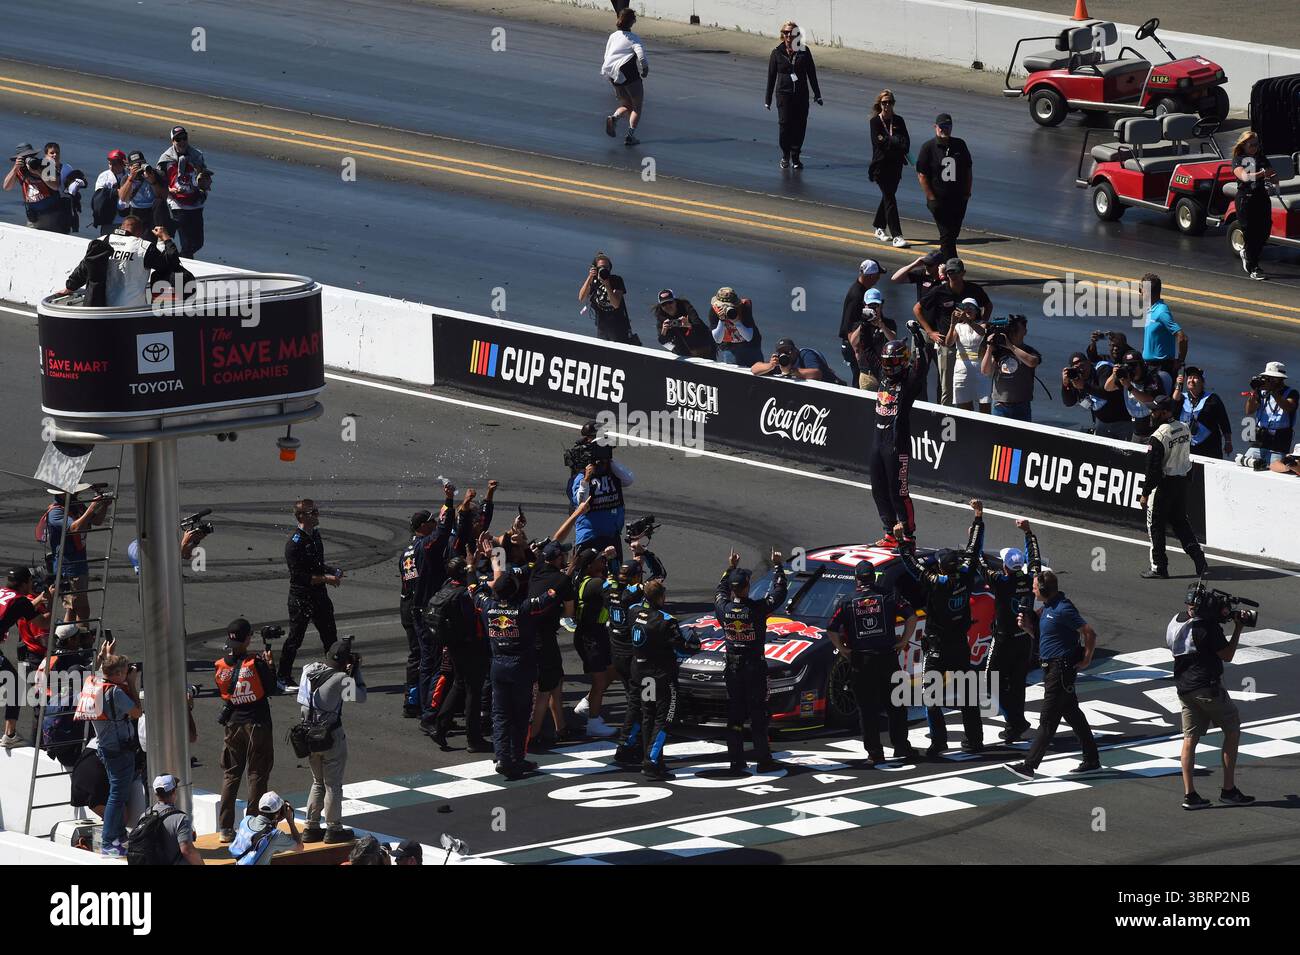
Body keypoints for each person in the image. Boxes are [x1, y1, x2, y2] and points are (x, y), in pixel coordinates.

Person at [897, 504, 986, 756]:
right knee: (969, 693)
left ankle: (938, 742)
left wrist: (901, 541)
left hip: (937, 649)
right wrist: (978, 518)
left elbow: (912, 566)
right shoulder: (965, 574)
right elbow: (973, 548)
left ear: (941, 568)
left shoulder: (938, 583)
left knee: (930, 697)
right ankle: (975, 740)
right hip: (959, 645)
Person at [1005, 572, 1101, 780]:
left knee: (1047, 721)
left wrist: (1086, 659)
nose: (1032, 590)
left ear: (1045, 589)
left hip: (1061, 670)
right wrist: (1028, 628)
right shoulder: (1047, 609)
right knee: (1073, 714)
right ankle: (1092, 758)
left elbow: (1089, 633)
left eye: (1035, 587)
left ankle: (1029, 765)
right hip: (1052, 669)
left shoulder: (1063, 608)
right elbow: (1045, 639)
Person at [1168, 584, 1255, 808]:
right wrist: (1238, 629)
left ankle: (1190, 795)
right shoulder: (1207, 628)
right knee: (1232, 729)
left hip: (1184, 689)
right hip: (1208, 689)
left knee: (1190, 740)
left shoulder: (1176, 620)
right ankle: (1228, 790)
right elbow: (1227, 655)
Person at [828, 560, 918, 766]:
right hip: (887, 658)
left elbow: (832, 628)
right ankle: (901, 747)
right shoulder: (888, 595)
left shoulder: (847, 601)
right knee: (896, 704)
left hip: (862, 661)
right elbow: (911, 616)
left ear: (856, 578)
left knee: (867, 709)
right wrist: (903, 640)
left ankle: (875, 753)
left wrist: (843, 650)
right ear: (874, 577)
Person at [479, 565, 559, 779]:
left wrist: (473, 569)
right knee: (522, 716)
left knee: (501, 715)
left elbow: (474, 591)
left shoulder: (487, 606)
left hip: (498, 667)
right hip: (521, 668)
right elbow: (550, 595)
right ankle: (516, 758)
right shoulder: (524, 608)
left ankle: (504, 758)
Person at [716, 548, 788, 774]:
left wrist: (730, 568)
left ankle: (736, 760)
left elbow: (720, 590)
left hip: (733, 669)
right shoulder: (757, 609)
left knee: (735, 715)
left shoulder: (724, 608)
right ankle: (763, 760)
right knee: (758, 715)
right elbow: (780, 592)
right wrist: (778, 566)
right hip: (754, 669)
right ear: (747, 587)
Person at [73, 643, 141, 857]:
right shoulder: (116, 693)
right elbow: (137, 712)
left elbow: (103, 670)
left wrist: (106, 656)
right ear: (118, 673)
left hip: (104, 746)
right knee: (116, 797)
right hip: (119, 750)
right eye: (125, 670)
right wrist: (131, 683)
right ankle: (110, 841)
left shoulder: (94, 683)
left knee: (115, 794)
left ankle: (117, 837)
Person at [977, 518, 1041, 743]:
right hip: (1025, 639)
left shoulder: (1000, 581)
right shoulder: (1032, 578)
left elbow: (978, 559)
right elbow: (1035, 559)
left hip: (1003, 639)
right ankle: (1014, 725)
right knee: (1016, 683)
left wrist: (975, 532)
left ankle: (1015, 720)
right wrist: (1028, 533)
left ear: (1004, 566)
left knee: (989, 682)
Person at [298, 636, 366, 844]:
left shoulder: (308, 669)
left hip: (307, 734)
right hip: (330, 736)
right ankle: (334, 828)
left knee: (317, 781)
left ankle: (310, 826)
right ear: (345, 662)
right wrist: (356, 670)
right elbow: (361, 695)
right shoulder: (340, 679)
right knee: (332, 784)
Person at [213, 618, 276, 843]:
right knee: (257, 774)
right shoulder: (255, 662)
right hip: (256, 723)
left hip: (233, 723)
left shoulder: (221, 664)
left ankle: (225, 828)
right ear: (248, 638)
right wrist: (270, 665)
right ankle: (253, 823)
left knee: (231, 774)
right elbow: (271, 687)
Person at [630, 580, 698, 780]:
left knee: (648, 715)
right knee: (665, 717)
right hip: (662, 676)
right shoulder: (666, 620)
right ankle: (651, 761)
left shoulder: (634, 612)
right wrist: (695, 643)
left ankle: (653, 759)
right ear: (660, 598)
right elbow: (682, 646)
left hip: (642, 673)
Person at [398, 483, 456, 718]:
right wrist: (449, 501)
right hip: (424, 610)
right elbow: (442, 532)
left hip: (409, 607)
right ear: (423, 527)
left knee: (417, 656)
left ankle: (412, 702)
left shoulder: (406, 552)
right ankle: (426, 707)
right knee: (429, 660)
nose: (434, 524)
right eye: (430, 522)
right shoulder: (424, 546)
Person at [869, 325, 929, 548]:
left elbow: (922, 367)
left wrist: (918, 339)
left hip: (897, 446)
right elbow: (867, 351)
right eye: (886, 361)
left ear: (902, 362)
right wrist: (867, 323)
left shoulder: (909, 383)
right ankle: (889, 532)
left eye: (892, 362)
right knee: (878, 489)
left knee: (899, 492)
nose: (887, 366)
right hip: (878, 444)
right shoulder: (883, 377)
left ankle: (908, 536)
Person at [1140, 397, 1210, 580]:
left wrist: (1145, 493)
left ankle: (1159, 567)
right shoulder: (1184, 427)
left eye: (1155, 411)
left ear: (1165, 412)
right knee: (1180, 522)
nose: (1151, 413)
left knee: (1155, 526)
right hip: (1182, 483)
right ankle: (1199, 559)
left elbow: (1152, 470)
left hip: (1164, 485)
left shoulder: (1158, 436)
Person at [428, 557, 492, 750]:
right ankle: (474, 739)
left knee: (458, 684)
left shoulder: (446, 586)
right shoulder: (465, 594)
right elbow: (473, 617)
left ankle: (440, 728)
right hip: (471, 646)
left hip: (453, 645)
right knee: (473, 690)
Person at [279, 499, 341, 688]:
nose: (317, 515)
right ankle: (282, 677)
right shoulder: (294, 544)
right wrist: (326, 579)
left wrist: (332, 570)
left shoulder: (315, 536)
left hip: (319, 595)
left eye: (316, 511)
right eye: (313, 512)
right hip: (301, 598)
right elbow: (300, 577)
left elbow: (317, 564)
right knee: (295, 639)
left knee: (330, 636)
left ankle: (334, 675)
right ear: (302, 516)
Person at [914, 258, 990, 405]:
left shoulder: (974, 290)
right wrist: (930, 332)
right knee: (947, 386)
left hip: (971, 343)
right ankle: (945, 416)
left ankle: (965, 414)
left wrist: (983, 322)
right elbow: (917, 309)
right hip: (948, 343)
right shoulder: (939, 291)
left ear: (963, 273)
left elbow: (988, 305)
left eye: (955, 272)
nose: (952, 275)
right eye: (949, 272)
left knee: (975, 385)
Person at [60, 216, 178, 308]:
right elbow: (169, 264)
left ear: (121, 227)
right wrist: (165, 238)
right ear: (140, 233)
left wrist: (69, 287)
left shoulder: (102, 241)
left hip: (100, 308)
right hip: (130, 311)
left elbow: (84, 267)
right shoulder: (144, 247)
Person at [528, 541, 577, 748]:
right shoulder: (561, 580)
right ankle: (533, 736)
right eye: (563, 555)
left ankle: (561, 727)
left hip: (532, 638)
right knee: (544, 690)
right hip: (544, 640)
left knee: (557, 680)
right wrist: (571, 572)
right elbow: (569, 613)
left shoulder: (536, 570)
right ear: (557, 559)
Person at [0, 567, 54, 748]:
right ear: (24, 584)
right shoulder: (20, 602)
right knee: (14, 685)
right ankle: (10, 734)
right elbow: (44, 622)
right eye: (30, 582)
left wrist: (40, 598)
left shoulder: (4, 593)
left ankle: (10, 733)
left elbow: (23, 608)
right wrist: (50, 601)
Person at [570, 545, 619, 737]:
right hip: (591, 636)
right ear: (591, 566)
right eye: (600, 559)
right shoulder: (596, 583)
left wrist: (609, 559)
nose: (603, 561)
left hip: (594, 633)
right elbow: (616, 590)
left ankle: (587, 704)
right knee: (599, 681)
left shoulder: (587, 578)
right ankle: (593, 723)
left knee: (612, 671)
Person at [39, 488, 108, 624]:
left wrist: (104, 505)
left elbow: (97, 521)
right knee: (82, 608)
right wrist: (92, 507)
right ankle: (81, 638)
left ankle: (70, 639)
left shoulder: (76, 505)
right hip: (68, 566)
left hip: (78, 562)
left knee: (72, 608)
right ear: (61, 493)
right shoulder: (55, 512)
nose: (77, 493)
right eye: (74, 491)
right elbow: (74, 528)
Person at [567, 423, 634, 560]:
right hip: (589, 536)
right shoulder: (580, 473)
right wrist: (586, 478)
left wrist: (608, 460)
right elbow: (580, 504)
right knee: (587, 573)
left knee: (614, 575)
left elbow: (629, 480)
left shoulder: (611, 468)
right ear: (587, 440)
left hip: (611, 535)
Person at [764, 21, 822, 169]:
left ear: (797, 34)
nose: (788, 35)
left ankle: (795, 156)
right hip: (783, 94)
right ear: (782, 34)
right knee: (785, 125)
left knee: (800, 125)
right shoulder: (776, 53)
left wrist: (817, 94)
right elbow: (771, 77)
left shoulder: (804, 51)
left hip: (801, 95)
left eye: (791, 32)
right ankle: (785, 154)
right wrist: (768, 99)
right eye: (785, 32)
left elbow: (812, 74)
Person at [915, 113, 973, 260]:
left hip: (958, 200)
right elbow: (922, 175)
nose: (945, 130)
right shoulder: (928, 148)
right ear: (935, 127)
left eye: (948, 127)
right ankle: (954, 270)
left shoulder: (959, 145)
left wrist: (967, 193)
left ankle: (937, 265)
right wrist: (932, 198)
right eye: (942, 127)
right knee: (947, 236)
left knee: (952, 235)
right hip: (939, 201)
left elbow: (968, 169)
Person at [607, 559, 648, 765]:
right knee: (636, 701)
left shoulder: (609, 588)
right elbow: (655, 580)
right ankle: (626, 744)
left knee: (635, 698)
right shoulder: (633, 593)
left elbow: (613, 582)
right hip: (631, 655)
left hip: (616, 652)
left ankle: (635, 737)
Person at [157, 126, 211, 257]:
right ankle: (181, 268)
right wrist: (169, 190)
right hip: (177, 203)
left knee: (198, 243)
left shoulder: (196, 154)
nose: (182, 142)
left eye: (184, 138)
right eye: (178, 139)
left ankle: (179, 259)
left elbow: (204, 175)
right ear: (172, 141)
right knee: (186, 243)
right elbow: (159, 180)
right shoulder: (166, 158)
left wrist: (203, 183)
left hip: (195, 202)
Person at [1231, 130, 1276, 281]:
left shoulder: (1260, 157)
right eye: (1252, 145)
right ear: (1244, 145)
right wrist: (1262, 174)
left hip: (1261, 196)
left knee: (1265, 230)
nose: (1255, 148)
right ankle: (1253, 267)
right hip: (1246, 199)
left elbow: (1271, 171)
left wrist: (1273, 176)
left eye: (1257, 144)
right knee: (1251, 233)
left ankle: (1248, 253)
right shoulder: (1239, 159)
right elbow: (1244, 177)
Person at [129, 774, 203, 865]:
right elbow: (187, 851)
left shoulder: (144, 815)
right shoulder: (180, 819)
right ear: (174, 791)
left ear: (156, 793)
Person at [600, 8, 648, 146]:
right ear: (632, 21)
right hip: (629, 74)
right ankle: (630, 136)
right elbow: (642, 57)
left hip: (612, 74)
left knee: (626, 104)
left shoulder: (613, 36)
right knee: (637, 107)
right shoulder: (634, 38)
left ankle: (614, 117)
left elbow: (606, 56)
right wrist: (645, 69)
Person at [869, 90, 911, 247]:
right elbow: (879, 143)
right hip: (880, 167)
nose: (887, 105)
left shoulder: (899, 120)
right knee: (890, 198)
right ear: (879, 104)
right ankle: (897, 235)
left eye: (889, 102)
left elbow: (906, 143)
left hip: (896, 166)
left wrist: (891, 141)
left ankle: (879, 227)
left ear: (893, 103)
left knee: (888, 196)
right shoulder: (875, 122)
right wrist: (895, 141)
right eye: (884, 102)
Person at [980, 314, 1041, 421]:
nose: (1014, 332)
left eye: (1017, 329)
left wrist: (1011, 346)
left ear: (1025, 332)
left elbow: (1032, 362)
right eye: (1012, 329)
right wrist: (989, 348)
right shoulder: (998, 351)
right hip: (1000, 406)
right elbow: (985, 371)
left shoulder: (1029, 351)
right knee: (998, 438)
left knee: (1021, 437)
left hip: (1021, 405)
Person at [1061, 351, 1132, 440]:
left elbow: (1106, 393)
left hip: (1122, 422)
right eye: (1077, 368)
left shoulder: (1103, 369)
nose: (1081, 370)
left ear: (1088, 362)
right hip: (1102, 423)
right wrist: (1065, 384)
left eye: (1082, 365)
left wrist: (1084, 386)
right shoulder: (1076, 377)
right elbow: (1069, 402)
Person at [1106, 350, 1172, 442]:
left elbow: (1150, 400)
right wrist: (1114, 375)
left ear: (1141, 365)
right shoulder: (1125, 377)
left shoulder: (1152, 377)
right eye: (1128, 366)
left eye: (1134, 365)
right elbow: (1107, 388)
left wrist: (1129, 387)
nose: (1131, 369)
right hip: (1136, 430)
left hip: (1154, 431)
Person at [1241, 361, 1297, 468]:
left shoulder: (1291, 393)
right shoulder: (1261, 392)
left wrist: (1273, 392)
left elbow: (1289, 407)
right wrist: (1253, 393)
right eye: (1267, 378)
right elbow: (1249, 411)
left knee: (1274, 470)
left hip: (1279, 442)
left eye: (1272, 378)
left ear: (1280, 379)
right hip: (1260, 439)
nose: (1269, 381)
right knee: (1246, 464)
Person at [1171, 366, 1232, 459]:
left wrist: (1228, 442)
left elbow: (1224, 422)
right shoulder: (1182, 398)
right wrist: (1178, 386)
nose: (1191, 380)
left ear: (1202, 382)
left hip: (1209, 446)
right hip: (1187, 445)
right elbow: (1174, 403)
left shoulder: (1212, 399)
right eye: (1189, 377)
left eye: (1195, 377)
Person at [838, 259, 883, 381]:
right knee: (860, 379)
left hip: (857, 343)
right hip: (853, 345)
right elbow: (849, 326)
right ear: (871, 276)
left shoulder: (862, 290)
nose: (879, 278)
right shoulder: (857, 295)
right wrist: (856, 351)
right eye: (878, 275)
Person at [5, 143, 67, 231]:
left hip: (52, 214)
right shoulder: (19, 170)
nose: (28, 159)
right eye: (24, 157)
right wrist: (15, 168)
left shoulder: (46, 165)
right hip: (34, 217)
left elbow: (55, 186)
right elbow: (6, 187)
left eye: (30, 156)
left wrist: (38, 172)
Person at [229, 792, 304, 865]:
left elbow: (265, 833)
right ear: (277, 813)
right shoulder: (275, 835)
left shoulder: (246, 821)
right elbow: (300, 847)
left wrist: (276, 819)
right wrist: (290, 821)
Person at [578, 252, 635, 343]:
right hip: (602, 327)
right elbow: (581, 297)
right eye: (600, 268)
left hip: (619, 327)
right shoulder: (594, 281)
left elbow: (615, 304)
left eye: (606, 267)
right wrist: (590, 277)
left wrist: (607, 284)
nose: (603, 269)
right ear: (595, 269)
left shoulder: (616, 280)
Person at [847, 288, 898, 390]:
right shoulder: (859, 325)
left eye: (876, 305)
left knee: (884, 404)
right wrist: (863, 324)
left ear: (881, 305)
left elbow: (893, 340)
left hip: (885, 375)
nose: (873, 309)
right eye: (870, 306)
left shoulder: (889, 323)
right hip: (867, 375)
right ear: (864, 305)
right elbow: (853, 342)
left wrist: (882, 326)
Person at [945, 297, 990, 412]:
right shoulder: (958, 326)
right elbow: (948, 343)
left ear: (977, 310)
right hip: (961, 369)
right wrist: (952, 324)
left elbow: (981, 333)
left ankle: (984, 429)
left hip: (980, 369)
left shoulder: (983, 324)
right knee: (964, 404)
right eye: (965, 308)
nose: (968, 310)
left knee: (984, 402)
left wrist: (968, 320)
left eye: (971, 307)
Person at [1139, 274, 1187, 375]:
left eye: (1141, 289)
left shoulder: (1161, 311)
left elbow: (1182, 336)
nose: (1140, 293)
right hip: (1150, 366)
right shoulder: (1151, 310)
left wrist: (1180, 361)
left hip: (1161, 368)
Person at [708, 286, 763, 366]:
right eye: (722, 306)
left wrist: (736, 321)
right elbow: (718, 339)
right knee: (733, 373)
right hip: (730, 348)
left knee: (755, 371)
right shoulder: (715, 311)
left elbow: (748, 337)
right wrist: (721, 321)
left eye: (729, 306)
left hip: (751, 346)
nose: (725, 308)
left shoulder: (744, 308)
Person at [653, 289, 714, 358]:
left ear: (675, 301)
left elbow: (701, 329)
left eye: (670, 302)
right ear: (661, 307)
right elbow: (663, 342)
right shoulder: (662, 318)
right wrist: (664, 332)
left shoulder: (687, 309)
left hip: (703, 348)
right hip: (684, 354)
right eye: (664, 304)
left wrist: (689, 325)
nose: (668, 306)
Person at [750, 336, 839, 383]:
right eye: (781, 352)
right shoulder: (780, 362)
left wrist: (791, 371)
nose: (785, 355)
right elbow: (754, 369)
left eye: (788, 351)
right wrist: (770, 366)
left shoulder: (805, 355)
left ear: (795, 350)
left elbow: (817, 374)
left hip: (833, 387)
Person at [117, 151, 167, 233]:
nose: (139, 167)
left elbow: (164, 196)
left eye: (140, 164)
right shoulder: (126, 178)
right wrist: (131, 178)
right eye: (135, 165)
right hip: (136, 210)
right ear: (129, 167)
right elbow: (123, 198)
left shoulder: (157, 174)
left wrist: (153, 181)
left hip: (154, 211)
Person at [91, 150, 129, 235]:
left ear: (123, 164)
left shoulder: (129, 176)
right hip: (108, 219)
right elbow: (99, 194)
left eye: (114, 164)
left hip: (125, 220)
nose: (111, 167)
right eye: (110, 163)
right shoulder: (104, 176)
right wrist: (116, 192)